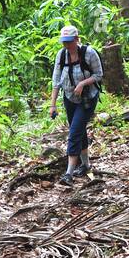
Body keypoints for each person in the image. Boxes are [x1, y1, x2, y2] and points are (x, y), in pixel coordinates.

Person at [49, 25, 103, 185]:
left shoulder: (89, 53)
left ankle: (68, 173)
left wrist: (83, 84)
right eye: (64, 42)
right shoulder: (61, 55)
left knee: (74, 133)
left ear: (77, 39)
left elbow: (99, 75)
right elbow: (56, 81)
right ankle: (86, 166)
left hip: (87, 99)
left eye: (69, 42)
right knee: (79, 130)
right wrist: (52, 105)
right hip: (69, 99)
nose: (66, 45)